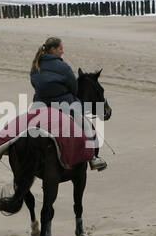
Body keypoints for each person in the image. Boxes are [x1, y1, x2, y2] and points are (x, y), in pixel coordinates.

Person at [29, 36, 107, 170]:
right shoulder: (63, 66)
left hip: (40, 103)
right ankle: (93, 158)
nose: (62, 51)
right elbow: (74, 87)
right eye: (60, 48)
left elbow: (35, 84)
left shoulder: (35, 65)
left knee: (26, 123)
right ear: (53, 49)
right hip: (64, 104)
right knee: (86, 126)